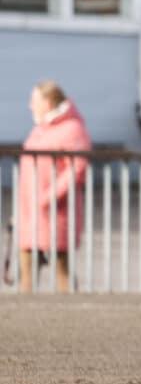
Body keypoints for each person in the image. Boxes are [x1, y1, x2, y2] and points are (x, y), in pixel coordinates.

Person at [15, 80, 92, 294]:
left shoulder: (72, 128)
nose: (31, 105)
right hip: (30, 212)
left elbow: (78, 167)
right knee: (26, 272)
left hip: (57, 212)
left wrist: (49, 196)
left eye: (34, 101)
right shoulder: (40, 128)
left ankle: (68, 317)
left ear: (48, 103)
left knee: (62, 271)